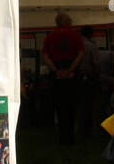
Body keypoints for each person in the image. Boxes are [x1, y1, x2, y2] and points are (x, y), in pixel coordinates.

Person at [41, 12, 84, 144]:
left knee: (59, 107)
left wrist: (56, 70)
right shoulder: (75, 36)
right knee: (72, 106)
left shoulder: (50, 36)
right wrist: (70, 70)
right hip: (72, 72)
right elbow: (80, 54)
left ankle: (62, 136)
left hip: (56, 73)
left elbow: (45, 56)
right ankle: (71, 136)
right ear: (68, 22)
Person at [76, 26, 102, 137]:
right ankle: (92, 129)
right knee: (92, 105)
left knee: (80, 105)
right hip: (90, 78)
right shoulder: (91, 46)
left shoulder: (76, 44)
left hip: (77, 77)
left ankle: (80, 128)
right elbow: (96, 63)